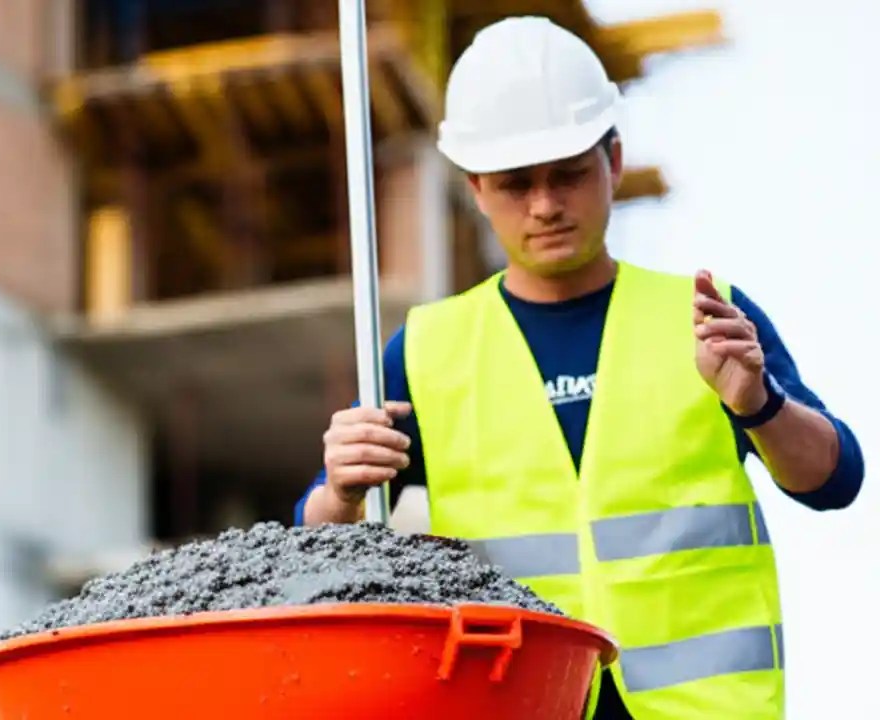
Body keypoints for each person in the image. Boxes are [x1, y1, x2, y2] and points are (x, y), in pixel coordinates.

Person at [295, 16, 864, 720]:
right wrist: (341, 495)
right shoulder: (425, 351)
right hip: (519, 701)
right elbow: (319, 545)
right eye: (515, 184)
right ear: (476, 189)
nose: (545, 205)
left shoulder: (704, 314)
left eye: (568, 174)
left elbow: (835, 480)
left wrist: (759, 405)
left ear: (614, 161)